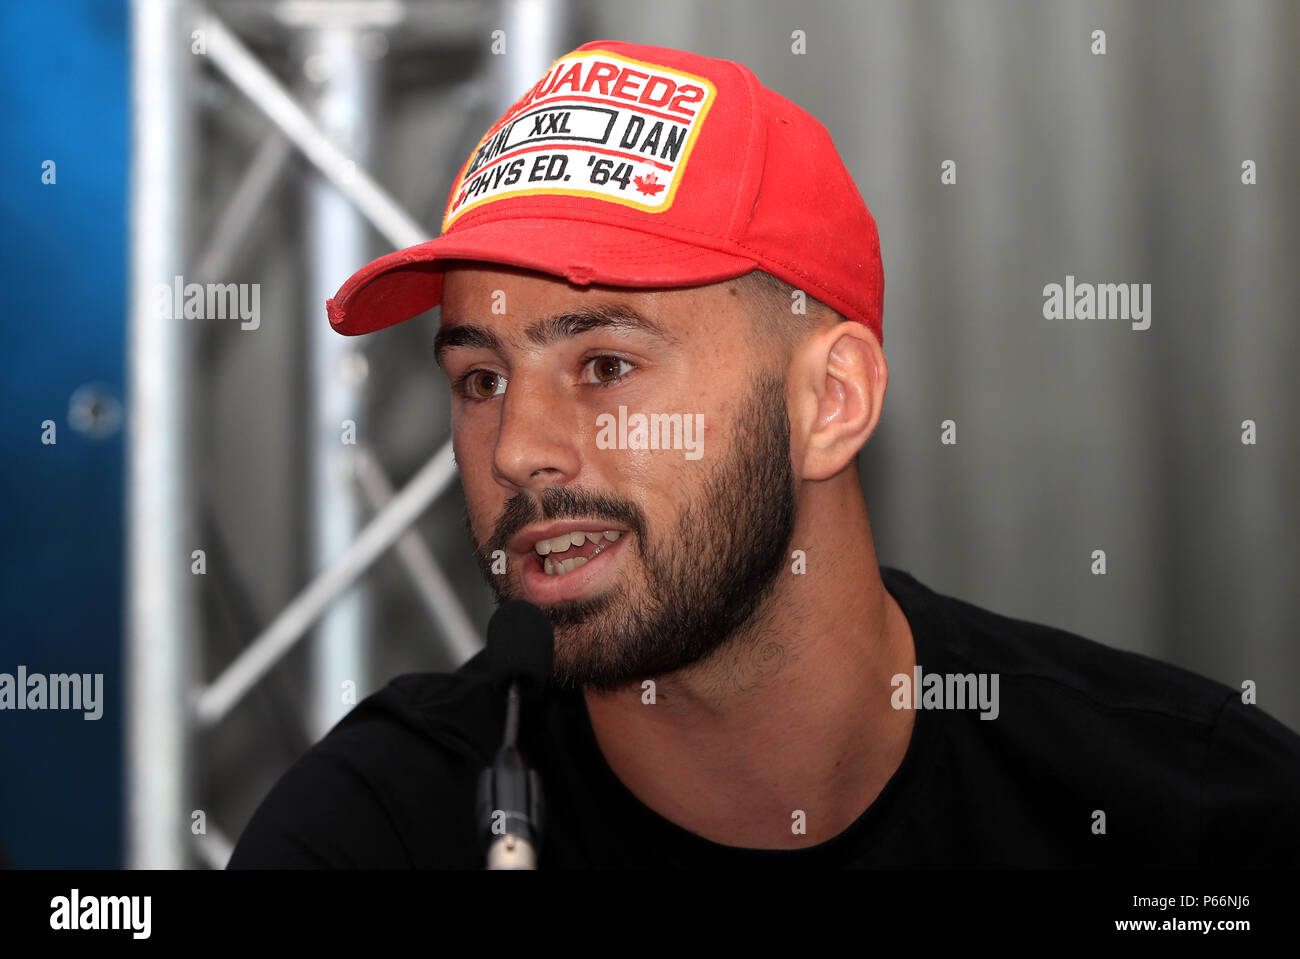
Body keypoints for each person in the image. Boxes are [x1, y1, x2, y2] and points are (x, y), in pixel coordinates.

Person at [228, 40, 1300, 868]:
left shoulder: (1185, 813)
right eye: (479, 379)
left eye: (604, 364)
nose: (518, 450)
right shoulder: (375, 833)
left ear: (829, 400)